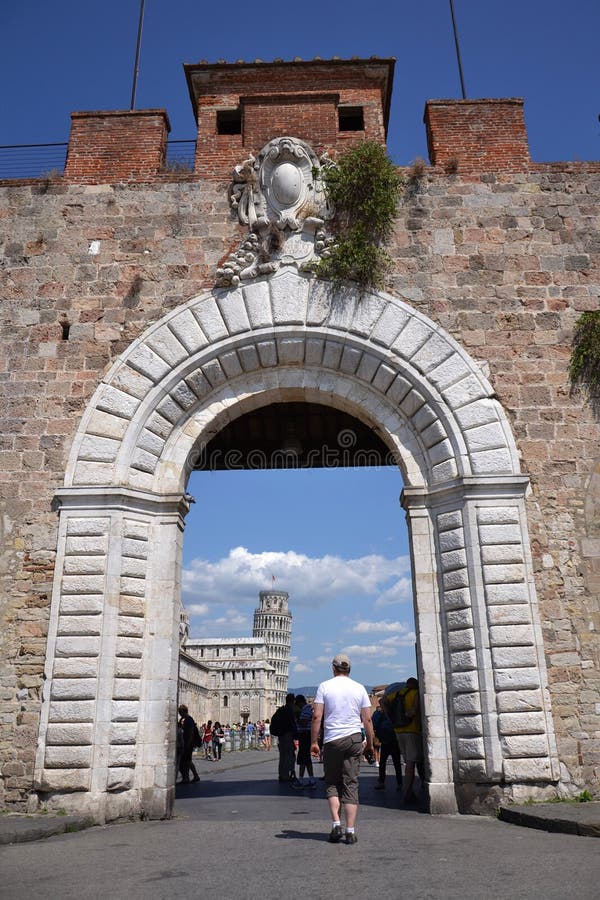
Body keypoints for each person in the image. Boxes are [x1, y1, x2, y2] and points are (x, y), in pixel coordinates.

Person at [310, 653, 374, 845]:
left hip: (332, 740)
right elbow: (367, 720)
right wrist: (370, 745)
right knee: (351, 784)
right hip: (354, 739)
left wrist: (314, 741)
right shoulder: (360, 688)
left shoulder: (324, 687)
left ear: (333, 668)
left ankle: (336, 824)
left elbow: (317, 717)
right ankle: (351, 831)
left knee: (332, 783)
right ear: (349, 669)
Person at [384, 677, 423, 804]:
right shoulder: (415, 693)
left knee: (407, 761)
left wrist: (389, 717)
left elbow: (381, 700)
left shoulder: (397, 693)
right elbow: (415, 709)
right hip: (411, 730)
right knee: (411, 763)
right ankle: (408, 792)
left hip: (398, 730)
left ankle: (409, 789)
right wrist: (411, 712)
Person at [372, 697, 403, 792]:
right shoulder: (390, 713)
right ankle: (397, 783)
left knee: (387, 763)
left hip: (388, 740)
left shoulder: (382, 714)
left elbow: (375, 723)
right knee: (392, 763)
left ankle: (385, 782)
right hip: (390, 740)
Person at [276, 694, 298, 784]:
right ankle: (286, 775)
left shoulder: (281, 710)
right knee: (289, 756)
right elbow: (293, 724)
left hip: (280, 736)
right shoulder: (290, 711)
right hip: (288, 735)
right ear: (292, 701)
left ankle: (281, 774)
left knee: (282, 756)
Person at [295, 695, 316, 787]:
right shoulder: (307, 709)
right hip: (306, 735)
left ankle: (301, 779)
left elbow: (303, 721)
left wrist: (296, 720)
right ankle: (311, 779)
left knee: (303, 758)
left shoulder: (306, 709)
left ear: (300, 702)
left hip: (305, 735)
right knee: (306, 759)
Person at [177, 704, 200, 784]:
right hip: (187, 743)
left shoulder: (188, 720)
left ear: (183, 712)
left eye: (180, 712)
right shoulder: (187, 719)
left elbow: (190, 733)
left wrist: (187, 744)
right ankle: (195, 775)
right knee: (188, 761)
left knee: (183, 762)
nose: (179, 714)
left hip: (187, 743)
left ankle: (185, 778)